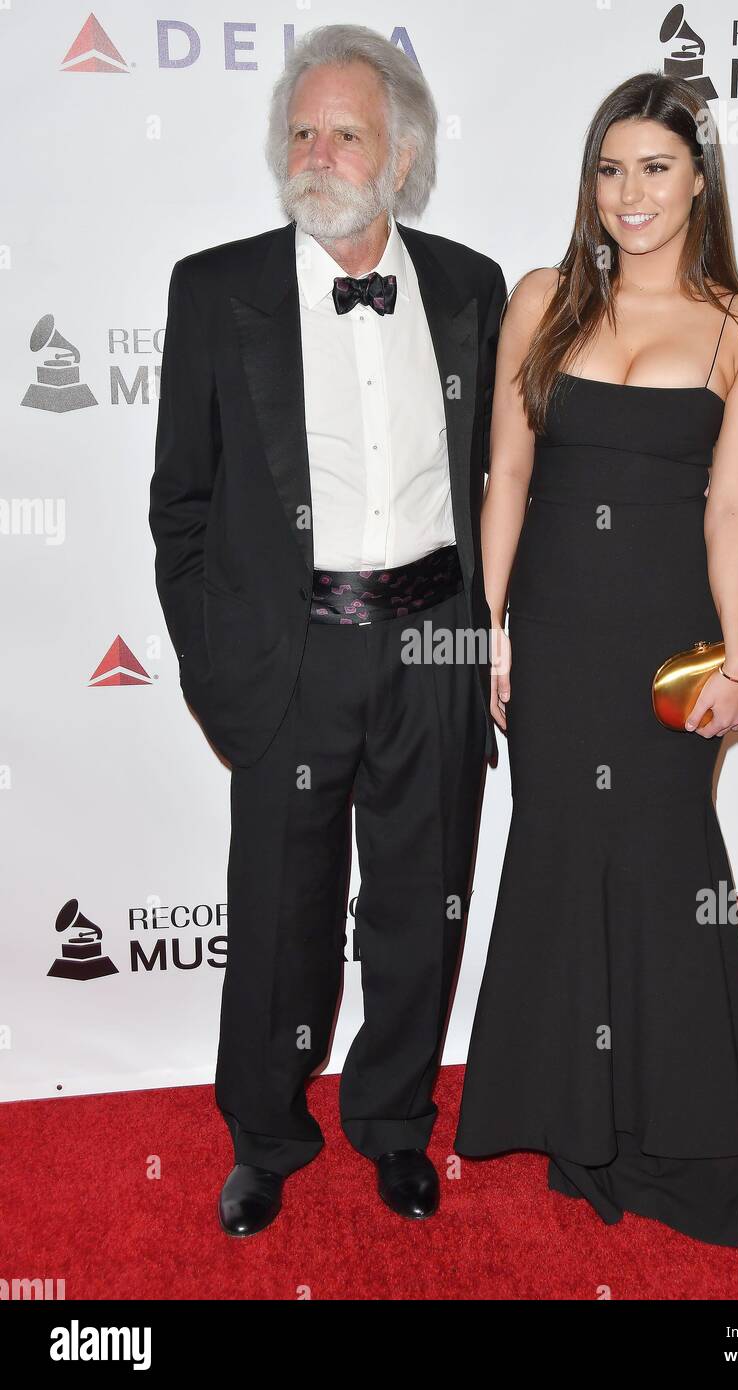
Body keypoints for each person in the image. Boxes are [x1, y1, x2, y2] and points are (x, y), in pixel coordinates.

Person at [149, 24, 507, 1235]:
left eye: (346, 130)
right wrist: (220, 674)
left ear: (400, 153)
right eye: (301, 130)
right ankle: (265, 1137)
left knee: (422, 901)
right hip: (290, 655)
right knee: (281, 918)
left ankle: (396, 1123)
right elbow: (182, 507)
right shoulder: (216, 288)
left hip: (435, 648)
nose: (319, 151)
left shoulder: (470, 285)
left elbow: (501, 485)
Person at [454, 72, 738, 1247]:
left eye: (656, 166)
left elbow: (733, 509)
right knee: (555, 857)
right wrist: (484, 629)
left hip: (664, 650)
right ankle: (573, 1118)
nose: (631, 193)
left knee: (663, 866)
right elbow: (507, 479)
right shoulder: (544, 297)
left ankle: (676, 1123)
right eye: (611, 168)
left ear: (700, 179)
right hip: (551, 637)